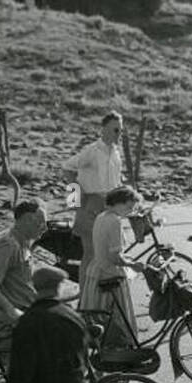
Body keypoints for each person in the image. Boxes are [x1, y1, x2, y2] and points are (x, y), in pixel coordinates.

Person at [0, 199, 47, 372]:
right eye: (41, 223)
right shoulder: (9, 245)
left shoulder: (23, 245)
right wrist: (10, 309)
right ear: (26, 220)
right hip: (11, 323)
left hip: (24, 317)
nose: (44, 229)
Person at [77, 185, 146, 347]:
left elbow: (104, 249)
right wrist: (132, 264)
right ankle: (120, 350)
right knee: (119, 318)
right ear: (118, 203)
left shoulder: (102, 216)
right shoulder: (115, 221)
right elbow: (114, 257)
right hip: (110, 274)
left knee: (99, 318)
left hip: (96, 270)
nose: (130, 211)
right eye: (128, 206)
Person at [62, 112, 125, 271]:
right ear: (103, 130)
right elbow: (67, 167)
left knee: (107, 254)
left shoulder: (116, 154)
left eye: (121, 130)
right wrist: (76, 198)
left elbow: (116, 182)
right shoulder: (92, 151)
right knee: (90, 254)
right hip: (91, 205)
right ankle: (84, 294)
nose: (119, 134)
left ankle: (98, 294)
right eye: (115, 130)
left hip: (109, 206)